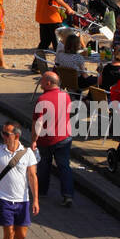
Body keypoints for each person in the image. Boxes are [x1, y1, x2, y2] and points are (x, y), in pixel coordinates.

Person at [34, 71, 74, 207]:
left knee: (44, 165)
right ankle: (68, 194)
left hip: (46, 139)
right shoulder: (66, 96)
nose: (40, 82)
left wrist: (34, 139)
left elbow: (38, 123)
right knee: (64, 166)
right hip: (64, 137)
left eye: (42, 80)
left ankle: (41, 191)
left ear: (48, 83)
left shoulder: (42, 100)